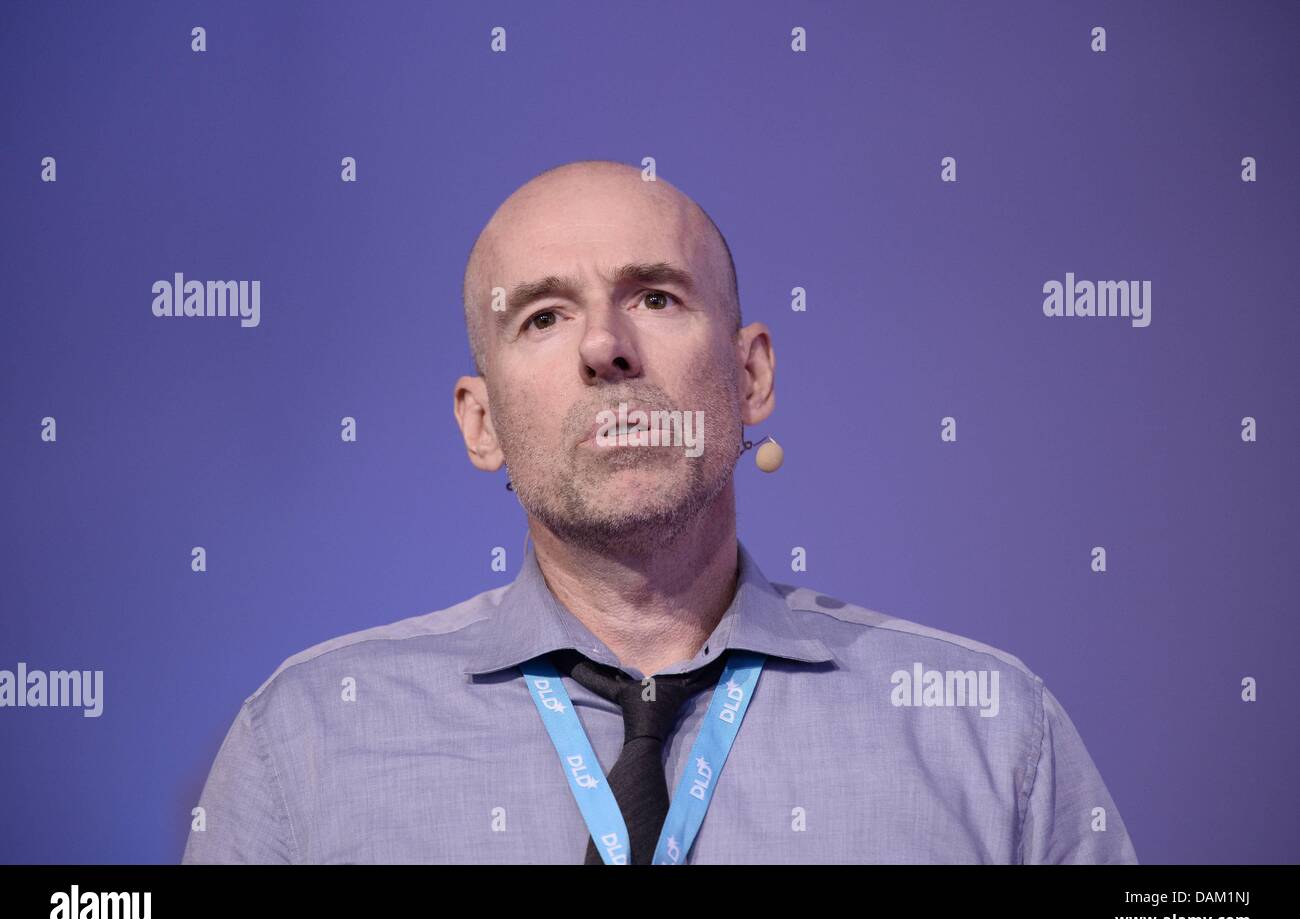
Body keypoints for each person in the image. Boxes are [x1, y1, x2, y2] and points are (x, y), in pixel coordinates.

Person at [182, 160, 1138, 864]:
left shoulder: (989, 732)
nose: (605, 344)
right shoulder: (303, 745)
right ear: (482, 423)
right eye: (543, 317)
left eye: (655, 295)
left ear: (750, 373)